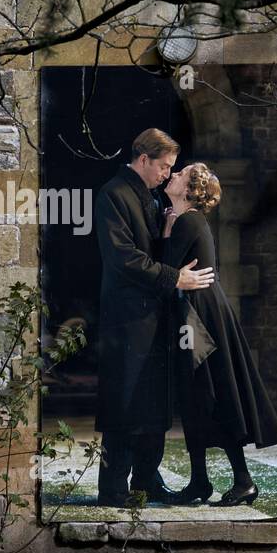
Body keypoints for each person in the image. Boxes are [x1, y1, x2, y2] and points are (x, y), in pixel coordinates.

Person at [92, 129, 214, 507]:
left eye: (171, 168)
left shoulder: (150, 196)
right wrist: (174, 276)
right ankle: (113, 489)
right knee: (124, 405)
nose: (167, 174)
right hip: (127, 322)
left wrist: (164, 235)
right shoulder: (113, 194)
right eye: (164, 166)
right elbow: (122, 257)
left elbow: (154, 251)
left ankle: (146, 481)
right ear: (143, 159)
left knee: (154, 406)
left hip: (155, 319)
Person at [161, 163, 277, 506]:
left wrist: (169, 228)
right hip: (197, 314)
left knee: (210, 394)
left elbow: (165, 267)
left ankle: (242, 480)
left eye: (181, 173)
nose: (173, 174)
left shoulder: (187, 221)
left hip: (199, 317)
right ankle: (200, 481)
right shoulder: (186, 220)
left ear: (188, 190)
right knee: (198, 395)